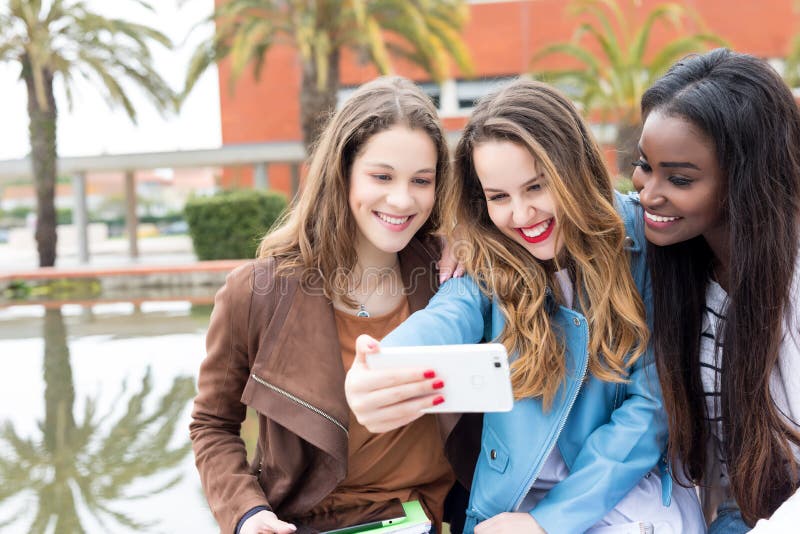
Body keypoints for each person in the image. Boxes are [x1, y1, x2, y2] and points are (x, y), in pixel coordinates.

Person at [345, 79, 704, 533]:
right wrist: (378, 365)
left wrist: (547, 523)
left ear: (573, 168)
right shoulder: (489, 254)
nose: (520, 215)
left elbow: (649, 411)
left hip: (624, 498)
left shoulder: (642, 242)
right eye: (498, 197)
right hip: (510, 507)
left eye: (536, 187)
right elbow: (447, 315)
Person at [189, 76, 478, 534]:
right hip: (303, 523)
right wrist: (247, 513)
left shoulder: (453, 276)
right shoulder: (256, 293)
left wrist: (467, 236)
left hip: (432, 521)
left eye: (421, 181)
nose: (402, 199)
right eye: (381, 176)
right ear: (342, 171)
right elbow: (212, 424)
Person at [631, 48, 800, 533]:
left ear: (744, 180)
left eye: (679, 178)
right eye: (645, 165)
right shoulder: (676, 254)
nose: (649, 192)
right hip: (726, 513)